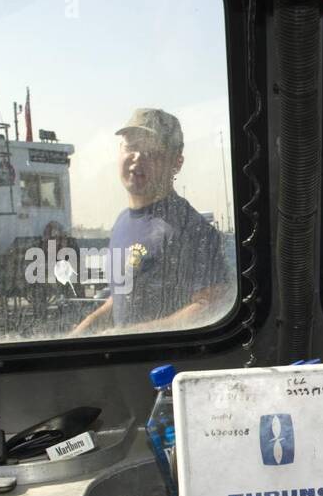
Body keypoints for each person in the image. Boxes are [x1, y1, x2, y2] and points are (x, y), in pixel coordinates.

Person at [72, 109, 233, 335]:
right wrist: (85, 328)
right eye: (131, 146)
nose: (138, 157)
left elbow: (210, 307)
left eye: (152, 152)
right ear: (120, 151)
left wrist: (128, 336)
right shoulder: (121, 223)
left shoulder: (191, 229)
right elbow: (121, 297)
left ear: (176, 163)